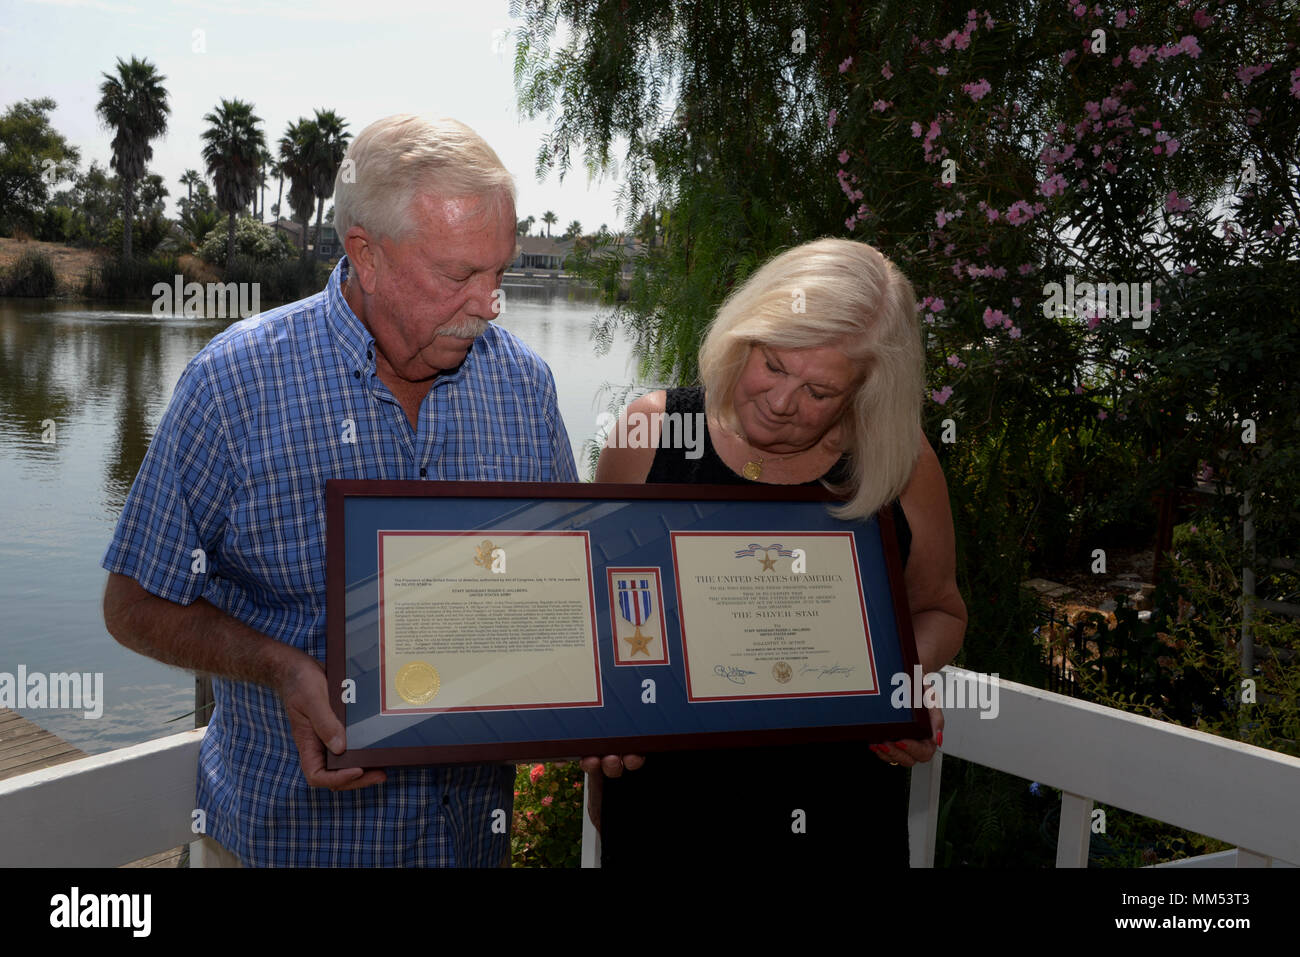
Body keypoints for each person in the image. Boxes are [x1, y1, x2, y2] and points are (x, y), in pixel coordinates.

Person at [101, 115, 579, 867]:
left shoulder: (524, 386)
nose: (491, 304)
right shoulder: (235, 386)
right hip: (285, 844)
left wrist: (610, 705)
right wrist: (280, 665)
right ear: (367, 255)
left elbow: (564, 595)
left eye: (500, 271)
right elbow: (132, 604)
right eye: (460, 275)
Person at [590, 237, 967, 867]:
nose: (783, 401)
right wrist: (602, 721)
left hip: (842, 817)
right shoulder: (650, 434)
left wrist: (902, 683)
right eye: (773, 364)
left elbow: (940, 611)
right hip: (669, 815)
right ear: (745, 334)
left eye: (821, 393)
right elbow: (600, 618)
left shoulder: (902, 461)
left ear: (864, 392)